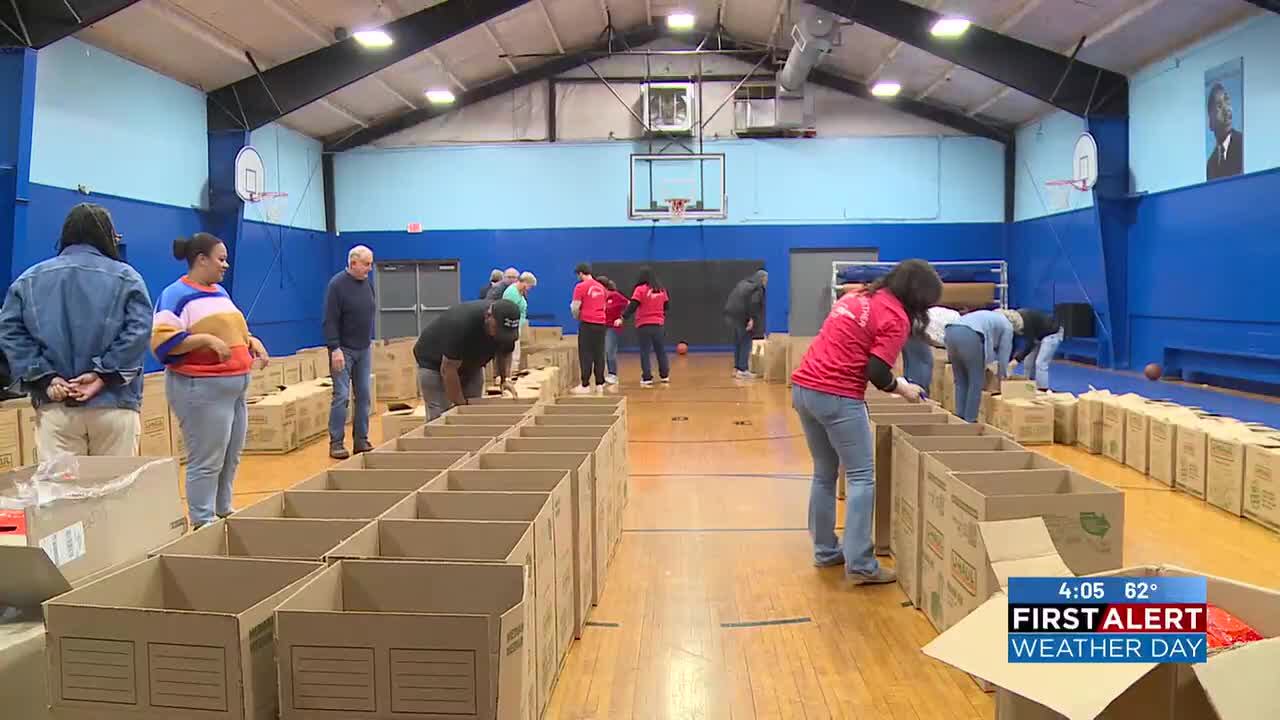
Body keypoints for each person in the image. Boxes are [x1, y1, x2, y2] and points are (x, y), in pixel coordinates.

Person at [790, 259, 941, 584]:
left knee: (824, 474)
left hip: (804, 388)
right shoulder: (896, 317)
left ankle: (826, 551)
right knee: (861, 477)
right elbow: (876, 372)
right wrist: (904, 388)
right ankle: (860, 564)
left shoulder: (857, 295)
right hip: (837, 395)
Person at [0, 203, 151, 456]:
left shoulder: (28, 280)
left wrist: (47, 378)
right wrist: (103, 375)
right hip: (114, 405)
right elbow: (139, 330)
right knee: (116, 492)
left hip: (56, 407)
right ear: (107, 235)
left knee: (62, 493)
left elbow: (9, 332)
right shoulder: (128, 278)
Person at [153, 232, 269, 528]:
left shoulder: (219, 293)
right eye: (221, 259)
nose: (226, 265)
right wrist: (204, 340)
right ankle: (203, 520)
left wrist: (250, 340)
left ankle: (223, 510)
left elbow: (232, 331)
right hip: (201, 390)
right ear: (201, 260)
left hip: (235, 389)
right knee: (206, 460)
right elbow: (162, 343)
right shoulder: (175, 295)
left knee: (230, 456)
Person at [414, 299, 521, 419]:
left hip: (471, 363)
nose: (500, 336)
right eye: (498, 330)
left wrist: (504, 379)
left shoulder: (507, 328)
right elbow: (448, 370)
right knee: (441, 415)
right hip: (434, 363)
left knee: (474, 410)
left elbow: (505, 352)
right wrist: (461, 406)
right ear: (488, 317)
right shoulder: (461, 324)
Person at [323, 245, 376, 460]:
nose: (370, 269)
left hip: (364, 348)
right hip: (343, 350)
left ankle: (361, 440)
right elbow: (330, 320)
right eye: (366, 264)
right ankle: (336, 443)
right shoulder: (337, 285)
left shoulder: (367, 285)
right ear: (353, 263)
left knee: (363, 394)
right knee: (342, 396)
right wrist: (334, 348)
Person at [944, 308, 1021, 422]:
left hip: (950, 331)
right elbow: (1004, 354)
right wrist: (1002, 377)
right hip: (969, 335)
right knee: (975, 381)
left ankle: (959, 417)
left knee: (960, 380)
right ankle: (970, 419)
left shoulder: (990, 316)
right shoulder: (1007, 326)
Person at [620, 267, 670, 387]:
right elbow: (667, 306)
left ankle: (647, 377)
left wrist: (623, 317)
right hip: (658, 325)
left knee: (645, 352)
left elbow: (632, 306)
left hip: (644, 325)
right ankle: (664, 375)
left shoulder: (640, 290)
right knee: (661, 351)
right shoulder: (661, 290)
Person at [901, 306, 960, 393]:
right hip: (919, 326)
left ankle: (913, 390)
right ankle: (919, 393)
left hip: (913, 322)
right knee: (923, 362)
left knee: (914, 361)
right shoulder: (960, 328)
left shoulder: (956, 319)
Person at [570, 263, 608, 395]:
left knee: (586, 353)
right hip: (601, 323)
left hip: (587, 323)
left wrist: (577, 316)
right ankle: (599, 384)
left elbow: (575, 307)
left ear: (580, 274)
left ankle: (585, 384)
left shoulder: (580, 287)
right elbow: (604, 306)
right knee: (599, 353)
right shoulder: (602, 287)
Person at [724, 270, 767, 379]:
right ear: (762, 279)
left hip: (733, 316)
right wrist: (751, 319)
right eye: (766, 280)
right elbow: (754, 304)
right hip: (743, 317)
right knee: (745, 342)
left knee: (738, 342)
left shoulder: (743, 284)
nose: (766, 282)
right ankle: (743, 369)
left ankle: (737, 369)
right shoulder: (757, 288)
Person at [1008, 308, 1063, 391]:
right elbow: (1013, 343)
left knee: (1040, 363)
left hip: (1052, 332)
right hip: (1038, 334)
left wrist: (1016, 360)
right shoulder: (1011, 325)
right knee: (1028, 363)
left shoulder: (1025, 322)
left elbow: (1030, 344)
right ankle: (1028, 388)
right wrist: (1009, 360)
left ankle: (1042, 390)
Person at [1206, 81, 1243, 181]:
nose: (1227, 109)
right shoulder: (1210, 164)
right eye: (1219, 106)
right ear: (1210, 121)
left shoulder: (1243, 143)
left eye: (1227, 101)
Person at [501, 271, 537, 370]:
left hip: (516, 326)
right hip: (511, 327)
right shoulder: (512, 293)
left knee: (516, 353)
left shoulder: (519, 292)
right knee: (512, 353)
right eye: (530, 286)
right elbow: (509, 311)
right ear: (524, 282)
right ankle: (510, 374)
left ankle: (513, 372)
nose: (530, 289)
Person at [599, 276, 629, 385]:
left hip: (612, 327)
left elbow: (629, 304)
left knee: (610, 351)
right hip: (601, 326)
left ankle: (613, 374)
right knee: (601, 352)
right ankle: (603, 374)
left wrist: (621, 318)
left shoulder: (615, 295)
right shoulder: (599, 297)